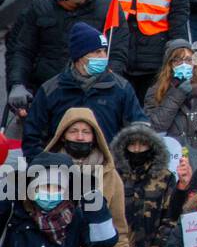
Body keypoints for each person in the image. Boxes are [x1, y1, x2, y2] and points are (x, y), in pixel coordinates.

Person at [5, 0, 118, 127]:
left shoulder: (107, 9)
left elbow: (118, 53)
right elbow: (23, 50)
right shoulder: (40, 5)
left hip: (90, 99)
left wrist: (105, 90)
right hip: (45, 95)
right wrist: (17, 83)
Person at [42, 108, 134, 247]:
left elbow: (119, 228)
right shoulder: (43, 172)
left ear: (95, 137)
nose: (80, 137)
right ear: (62, 135)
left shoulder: (110, 177)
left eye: (86, 131)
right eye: (74, 131)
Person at [24, 22, 146, 159]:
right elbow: (32, 136)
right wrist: (44, 164)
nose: (103, 56)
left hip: (107, 170)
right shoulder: (51, 89)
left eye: (104, 51)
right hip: (61, 170)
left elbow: (138, 129)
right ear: (80, 55)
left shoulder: (121, 88)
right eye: (97, 51)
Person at [110, 123, 187, 247]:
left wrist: (160, 246)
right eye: (132, 144)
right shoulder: (114, 175)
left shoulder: (164, 177)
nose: (137, 149)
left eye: (142, 145)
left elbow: (171, 216)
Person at [144, 39, 197, 165]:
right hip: (171, 159)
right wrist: (178, 94)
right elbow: (154, 127)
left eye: (188, 60)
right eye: (177, 60)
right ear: (169, 65)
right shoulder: (156, 92)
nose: (184, 64)